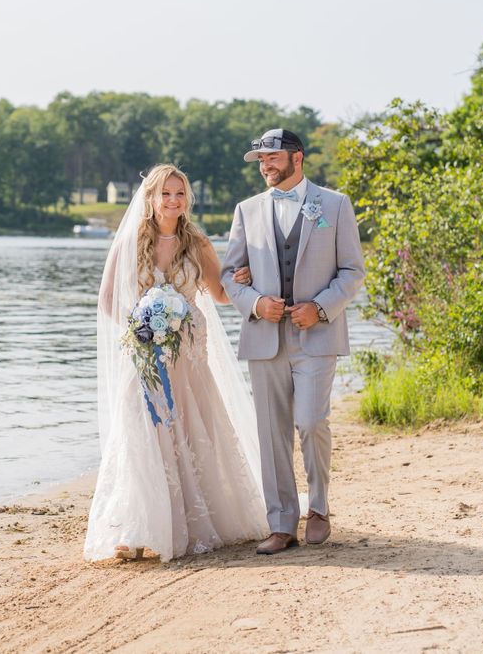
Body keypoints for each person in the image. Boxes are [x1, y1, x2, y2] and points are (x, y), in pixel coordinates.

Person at [84, 164, 267, 562]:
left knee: (192, 428)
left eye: (179, 193)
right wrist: (141, 328)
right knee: (140, 432)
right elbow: (107, 299)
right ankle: (136, 529)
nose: (172, 200)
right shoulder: (130, 241)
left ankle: (193, 519)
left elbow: (220, 294)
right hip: (144, 355)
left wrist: (242, 279)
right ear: (150, 198)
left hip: (189, 356)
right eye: (165, 193)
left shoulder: (197, 242)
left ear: (188, 199)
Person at [221, 129, 365, 554]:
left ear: (296, 157)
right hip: (264, 337)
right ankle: (282, 524)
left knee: (311, 421)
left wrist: (319, 308)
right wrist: (255, 303)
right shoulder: (246, 210)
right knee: (271, 433)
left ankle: (317, 508)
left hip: (316, 336)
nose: (265, 165)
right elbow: (230, 274)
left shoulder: (335, 205)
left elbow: (352, 271)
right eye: (260, 160)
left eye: (271, 157)